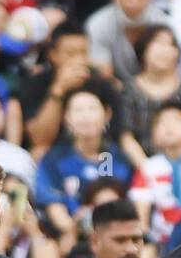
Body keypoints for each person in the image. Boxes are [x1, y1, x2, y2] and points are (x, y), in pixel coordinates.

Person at [36, 88, 134, 255]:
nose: (85, 116)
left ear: (107, 115)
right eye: (78, 110)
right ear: (66, 117)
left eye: (92, 109)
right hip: (69, 234)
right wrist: (73, 226)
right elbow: (53, 205)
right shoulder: (55, 158)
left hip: (112, 231)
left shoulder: (117, 157)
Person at [19, 21, 122, 160]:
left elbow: (115, 133)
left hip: (95, 150)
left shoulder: (101, 83)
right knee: (39, 152)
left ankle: (104, 178)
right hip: (57, 154)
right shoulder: (35, 83)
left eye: (83, 53)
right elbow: (39, 140)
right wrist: (58, 90)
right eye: (71, 54)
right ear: (53, 55)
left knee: (108, 154)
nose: (79, 60)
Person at [117, 25, 181, 167]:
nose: (165, 50)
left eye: (171, 45)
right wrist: (148, 168)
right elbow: (125, 136)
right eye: (158, 43)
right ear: (143, 49)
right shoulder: (129, 90)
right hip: (141, 165)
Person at [130, 102, 181, 255]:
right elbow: (141, 216)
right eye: (162, 122)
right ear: (154, 135)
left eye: (176, 120)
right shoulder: (148, 168)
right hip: (162, 242)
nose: (169, 127)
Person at [87, 0, 174, 82]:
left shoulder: (164, 24)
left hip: (154, 86)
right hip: (114, 89)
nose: (133, 2)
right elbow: (102, 73)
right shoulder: (98, 24)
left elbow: (168, 71)